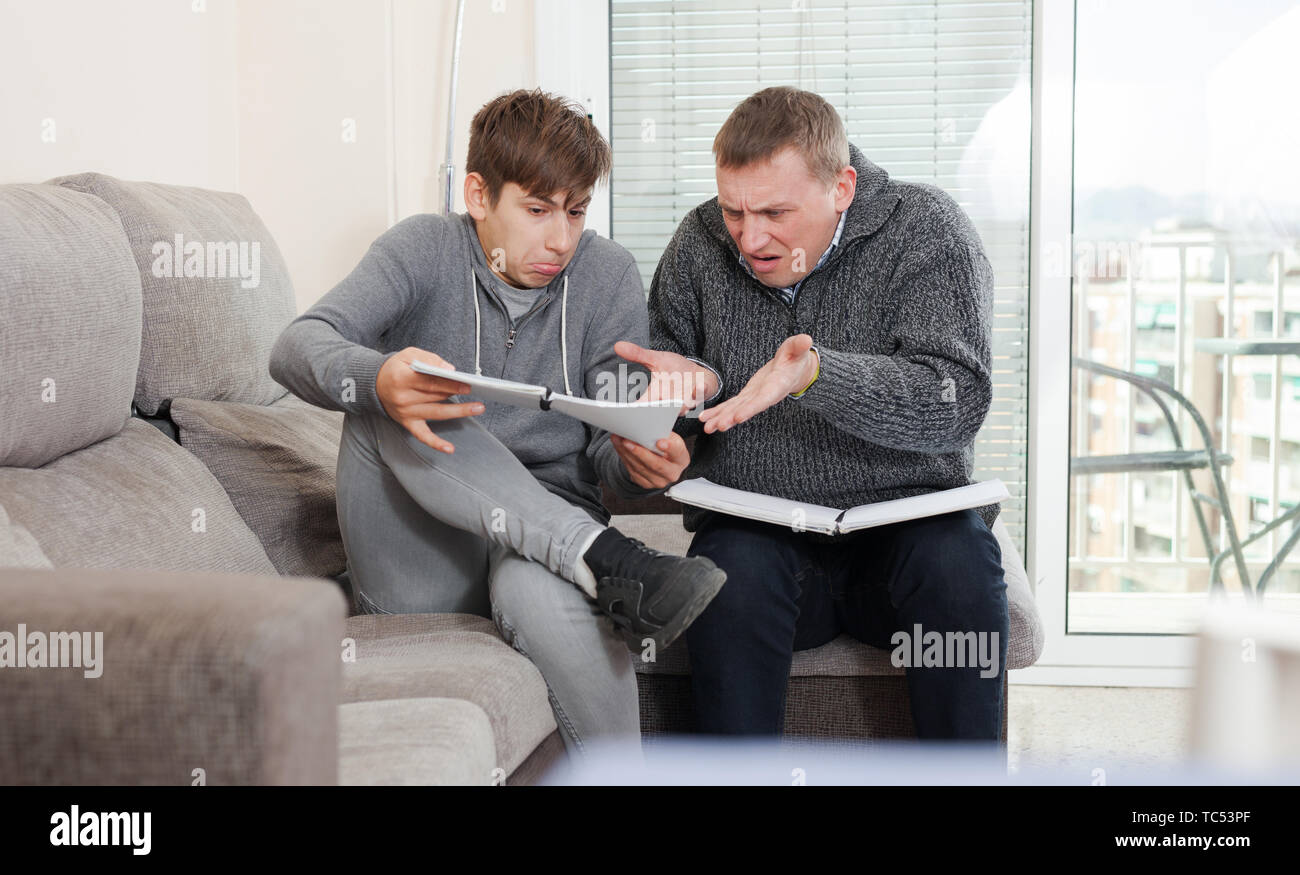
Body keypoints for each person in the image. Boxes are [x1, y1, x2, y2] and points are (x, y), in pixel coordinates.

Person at [268, 88, 725, 757]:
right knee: (401, 390)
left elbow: (607, 445)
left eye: (576, 210)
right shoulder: (422, 248)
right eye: (537, 210)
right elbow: (295, 346)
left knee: (536, 587)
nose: (561, 237)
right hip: (422, 555)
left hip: (537, 542)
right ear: (480, 195)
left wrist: (635, 454)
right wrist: (379, 378)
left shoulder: (608, 275)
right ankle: (608, 556)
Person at [614, 86, 1009, 741]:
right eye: (734, 209)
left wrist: (818, 374)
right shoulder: (698, 243)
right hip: (763, 541)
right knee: (723, 580)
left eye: (774, 211)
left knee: (960, 565)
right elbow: (674, 391)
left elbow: (957, 399)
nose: (750, 236)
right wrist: (666, 426)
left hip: (906, 540)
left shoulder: (928, 229)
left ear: (843, 187)